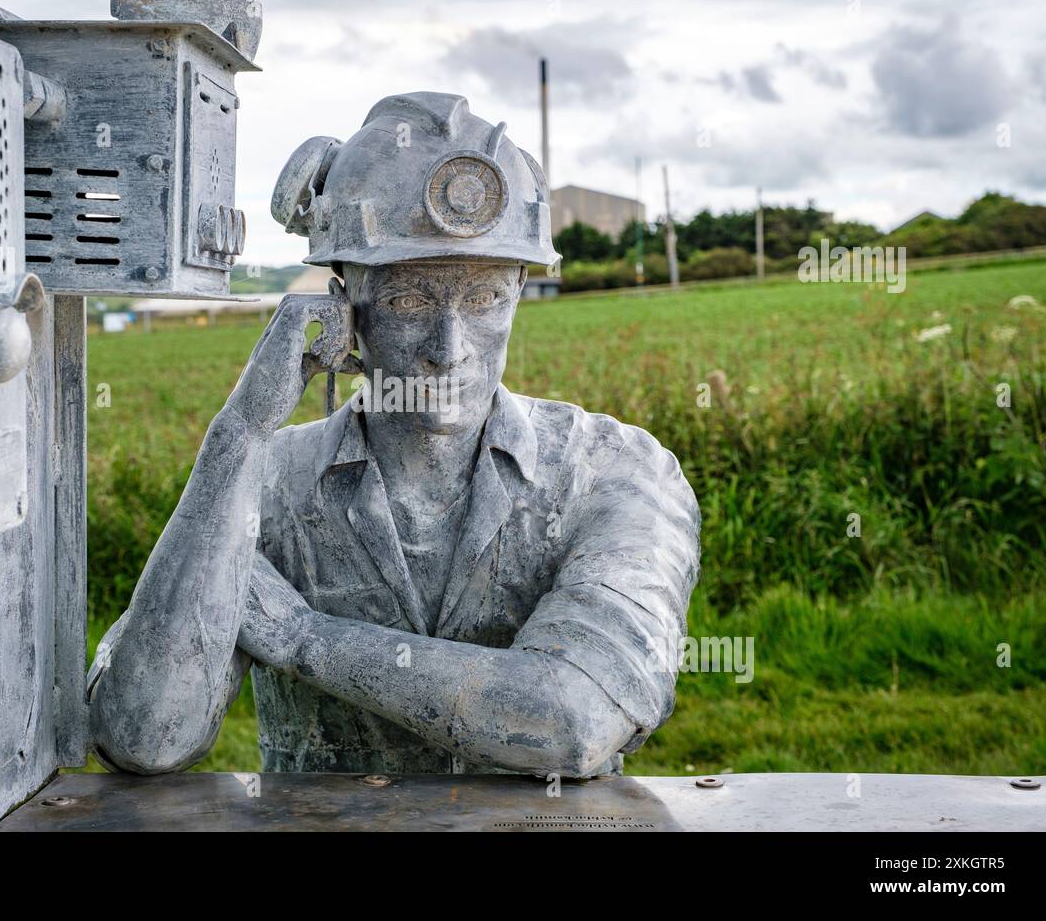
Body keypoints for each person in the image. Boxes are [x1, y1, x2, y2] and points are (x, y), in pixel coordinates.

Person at [87, 93, 700, 777]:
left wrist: (303, 640)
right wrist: (238, 436)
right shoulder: (263, 486)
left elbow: (575, 720)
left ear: (521, 290)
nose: (450, 347)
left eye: (486, 299)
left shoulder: (616, 472)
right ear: (343, 305)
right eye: (408, 301)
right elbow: (144, 733)